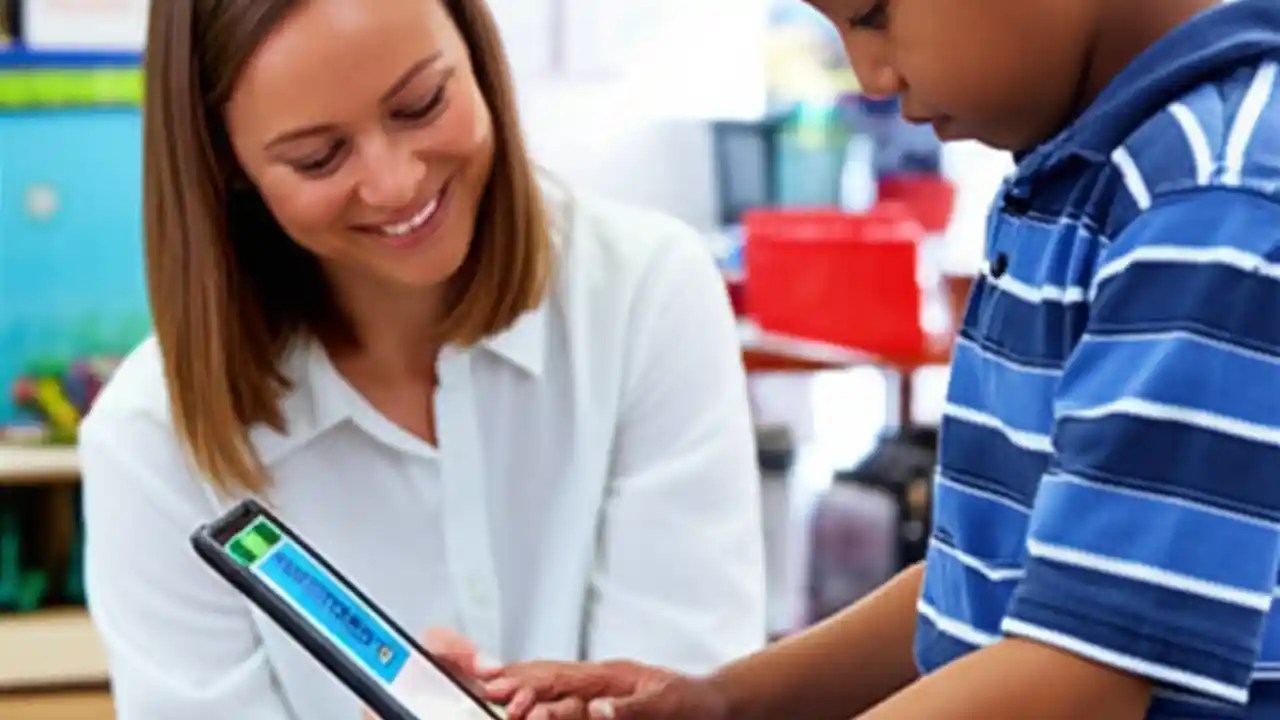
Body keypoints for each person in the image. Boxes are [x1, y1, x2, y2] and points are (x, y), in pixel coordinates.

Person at [457, 0, 1280, 718]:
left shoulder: (1208, 199)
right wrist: (722, 702)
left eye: (875, 13)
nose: (872, 77)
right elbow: (988, 580)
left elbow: (1078, 681)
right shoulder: (1072, 174)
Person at [77, 1, 768, 718]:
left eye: (421, 104)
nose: (397, 182)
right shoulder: (152, 441)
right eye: (319, 157)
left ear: (476, 51)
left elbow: (691, 684)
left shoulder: (645, 296)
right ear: (227, 163)